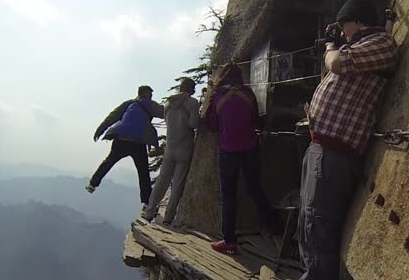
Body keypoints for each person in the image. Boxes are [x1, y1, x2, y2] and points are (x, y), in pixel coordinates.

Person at [271, 0, 398, 280]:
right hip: (322, 147)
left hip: (336, 153)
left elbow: (337, 63)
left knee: (318, 231)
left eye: (345, 25)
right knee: (308, 227)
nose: (342, 31)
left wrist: (332, 45)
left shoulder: (380, 43)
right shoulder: (360, 46)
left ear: (356, 21)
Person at [205, 63, 277, 255]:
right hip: (251, 147)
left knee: (228, 196)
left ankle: (229, 241)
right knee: (254, 187)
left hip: (228, 149)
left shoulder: (217, 96)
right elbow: (255, 118)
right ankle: (271, 223)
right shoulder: (249, 94)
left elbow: (212, 126)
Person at [88, 85, 164, 207]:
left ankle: (92, 184)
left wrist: (100, 129)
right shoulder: (149, 104)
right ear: (146, 93)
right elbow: (165, 112)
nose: (151, 95)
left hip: (121, 139)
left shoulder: (128, 104)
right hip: (138, 143)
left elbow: (112, 116)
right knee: (143, 172)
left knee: (109, 161)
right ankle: (146, 202)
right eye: (150, 93)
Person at [142, 78, 201, 225]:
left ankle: (149, 211)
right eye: (193, 87)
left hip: (170, 147)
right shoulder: (192, 103)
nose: (194, 90)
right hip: (184, 148)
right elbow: (193, 124)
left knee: (162, 180)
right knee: (177, 183)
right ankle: (168, 217)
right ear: (189, 88)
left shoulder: (168, 104)